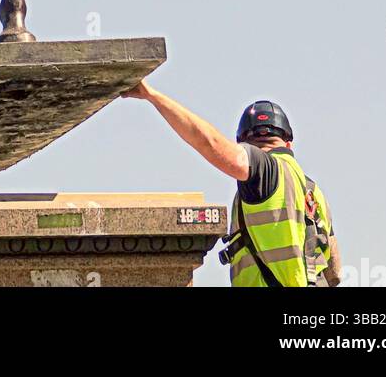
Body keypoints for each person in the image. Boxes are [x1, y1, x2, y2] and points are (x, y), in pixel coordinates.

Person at [122, 84, 340, 287]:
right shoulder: (313, 191)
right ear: (288, 143)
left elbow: (211, 143)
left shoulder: (265, 169)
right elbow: (335, 273)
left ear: (243, 143)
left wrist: (153, 96)